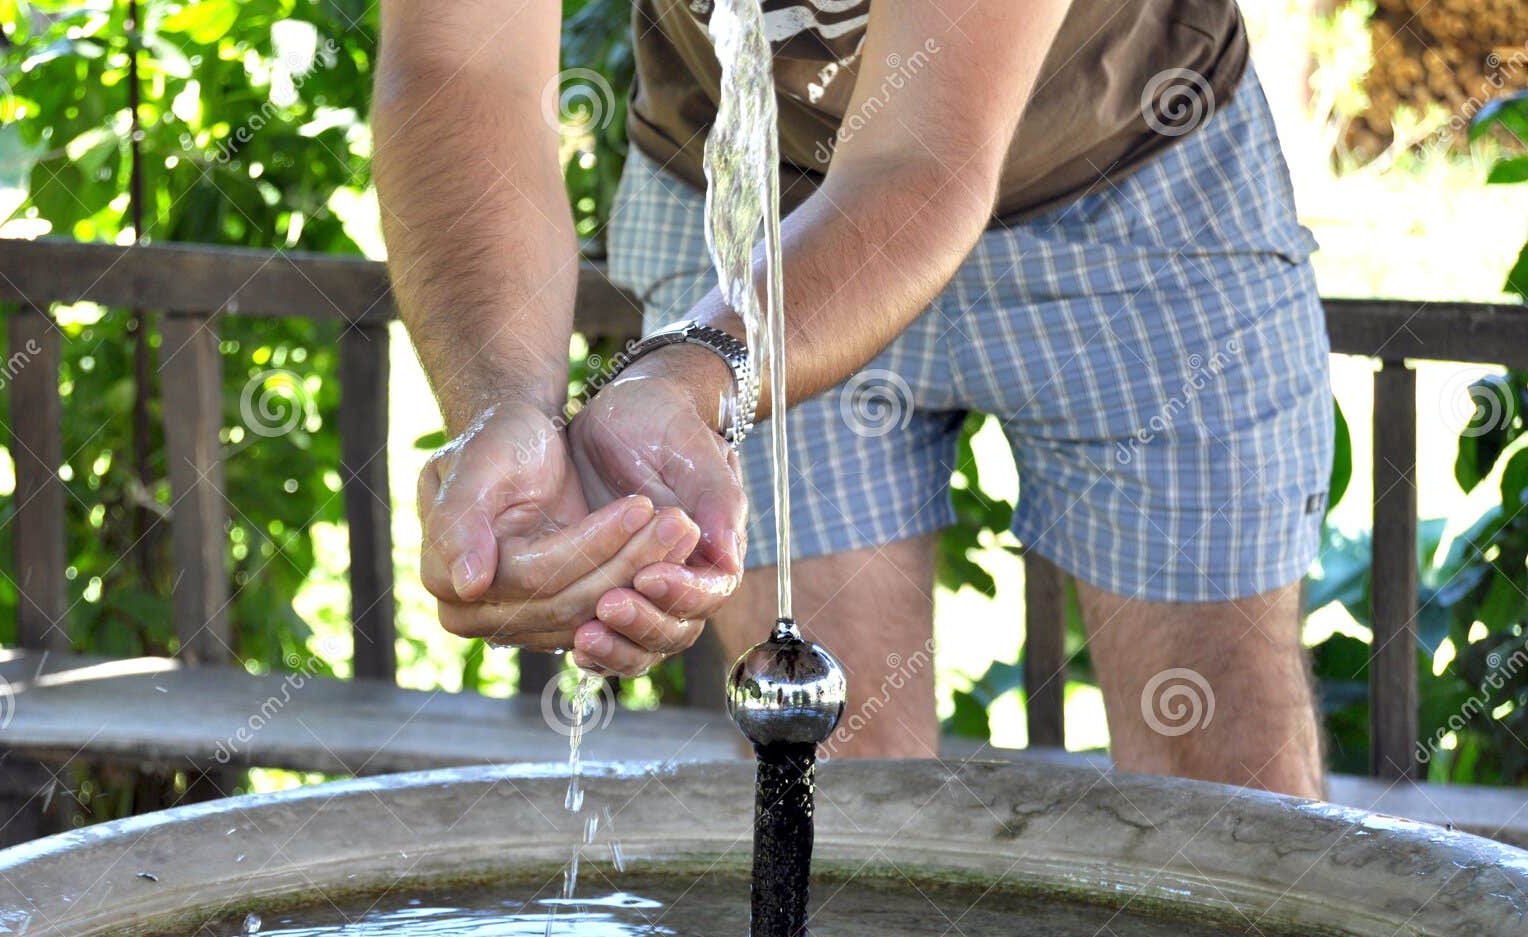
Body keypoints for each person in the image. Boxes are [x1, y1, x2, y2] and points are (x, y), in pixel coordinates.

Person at [372, 0, 1332, 799]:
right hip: (747, 192)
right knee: (832, 781)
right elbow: (464, 65)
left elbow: (922, 156)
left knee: (1227, 792)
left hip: (1131, 162)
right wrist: (506, 411)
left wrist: (686, 372)